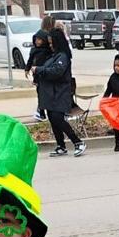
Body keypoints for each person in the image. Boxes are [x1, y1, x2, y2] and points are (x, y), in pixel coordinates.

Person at [36, 28, 85, 158]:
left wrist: (40, 70)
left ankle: (77, 142)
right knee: (52, 119)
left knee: (58, 118)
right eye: (49, 43)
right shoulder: (53, 56)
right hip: (51, 94)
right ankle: (60, 146)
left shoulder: (63, 56)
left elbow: (56, 71)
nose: (51, 46)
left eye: (52, 43)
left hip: (60, 93)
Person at [26, 26, 52, 123]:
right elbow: (30, 60)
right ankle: (41, 112)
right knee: (40, 94)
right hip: (37, 76)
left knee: (46, 94)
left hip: (45, 75)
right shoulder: (34, 50)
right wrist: (27, 69)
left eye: (40, 40)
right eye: (36, 39)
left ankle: (46, 111)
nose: (37, 41)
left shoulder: (48, 50)